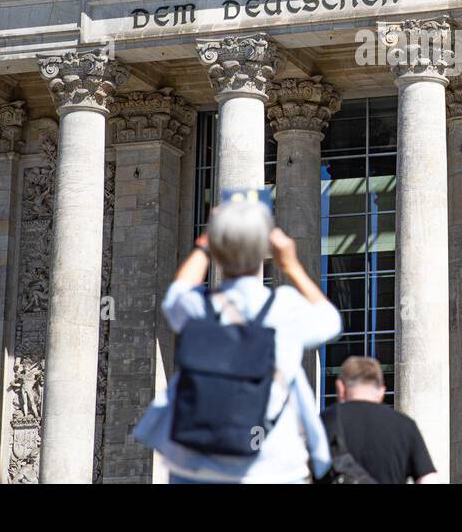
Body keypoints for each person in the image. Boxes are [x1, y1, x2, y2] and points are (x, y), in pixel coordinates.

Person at [135, 199, 340, 483]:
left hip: (196, 464)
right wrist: (291, 265)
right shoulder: (284, 308)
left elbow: (175, 296)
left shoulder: (199, 308)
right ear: (265, 254)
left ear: (218, 253)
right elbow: (331, 321)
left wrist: (205, 246)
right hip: (271, 466)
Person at [320, 356, 440, 484]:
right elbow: (428, 479)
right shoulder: (405, 425)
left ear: (340, 388)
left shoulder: (325, 421)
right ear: (381, 392)